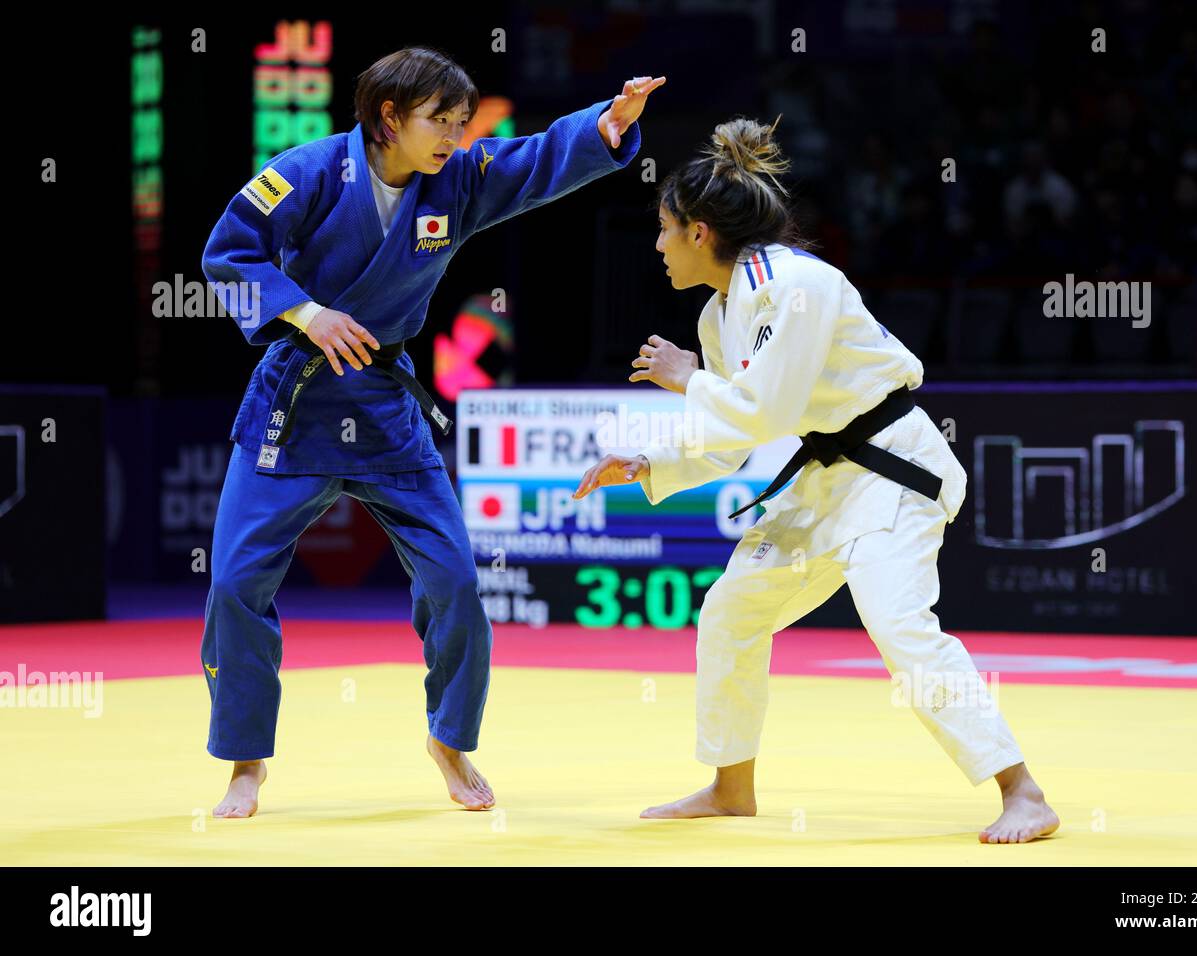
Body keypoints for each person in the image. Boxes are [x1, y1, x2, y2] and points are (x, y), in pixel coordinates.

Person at [201, 45, 663, 818]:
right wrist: (307, 312)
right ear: (389, 118)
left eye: (460, 120)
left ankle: (449, 739)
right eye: (439, 121)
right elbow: (227, 252)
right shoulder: (308, 172)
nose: (455, 134)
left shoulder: (459, 180)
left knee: (453, 581)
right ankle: (245, 762)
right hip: (297, 402)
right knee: (234, 584)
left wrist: (607, 125)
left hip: (384, 406)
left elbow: (535, 161)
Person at [574, 117, 1058, 843]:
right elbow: (735, 437)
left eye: (666, 229)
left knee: (898, 625)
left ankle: (1023, 791)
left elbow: (769, 409)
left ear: (700, 231)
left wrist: (691, 379)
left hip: (893, 468)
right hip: (825, 476)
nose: (657, 245)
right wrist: (655, 462)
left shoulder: (798, 283)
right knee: (731, 612)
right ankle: (731, 786)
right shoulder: (719, 313)